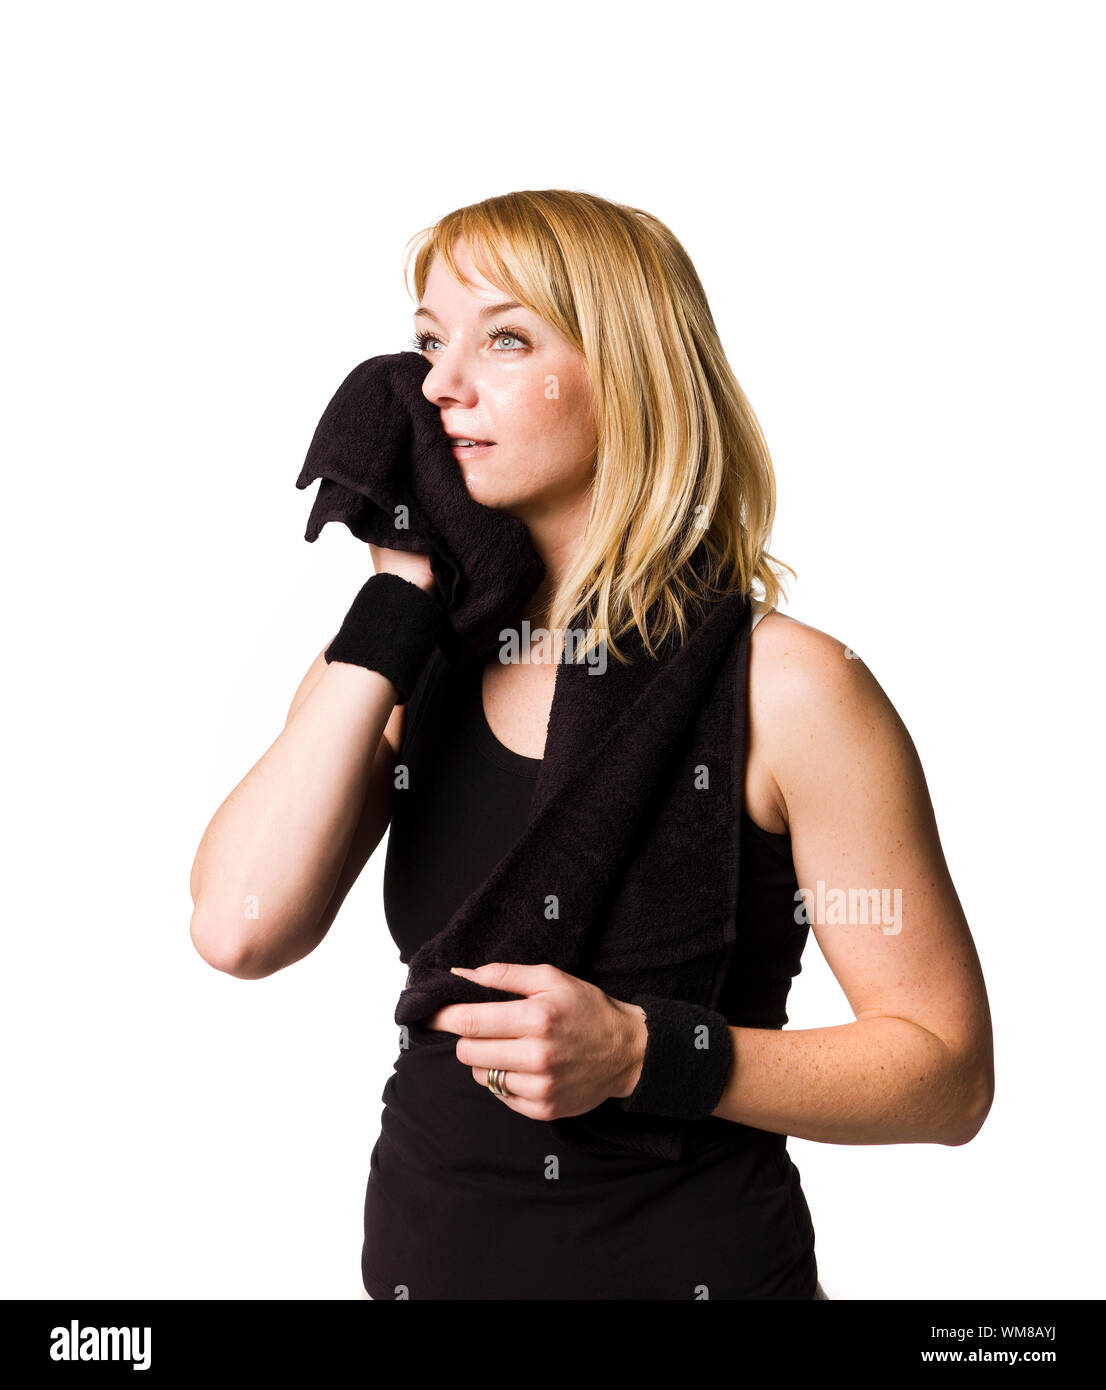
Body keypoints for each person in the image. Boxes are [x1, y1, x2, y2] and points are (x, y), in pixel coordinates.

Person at [189, 190, 994, 1301]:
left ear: (626, 374)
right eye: (428, 342)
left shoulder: (789, 686)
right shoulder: (401, 658)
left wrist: (644, 1051)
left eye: (503, 339)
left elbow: (944, 1076)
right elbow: (239, 929)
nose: (435, 386)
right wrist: (399, 599)